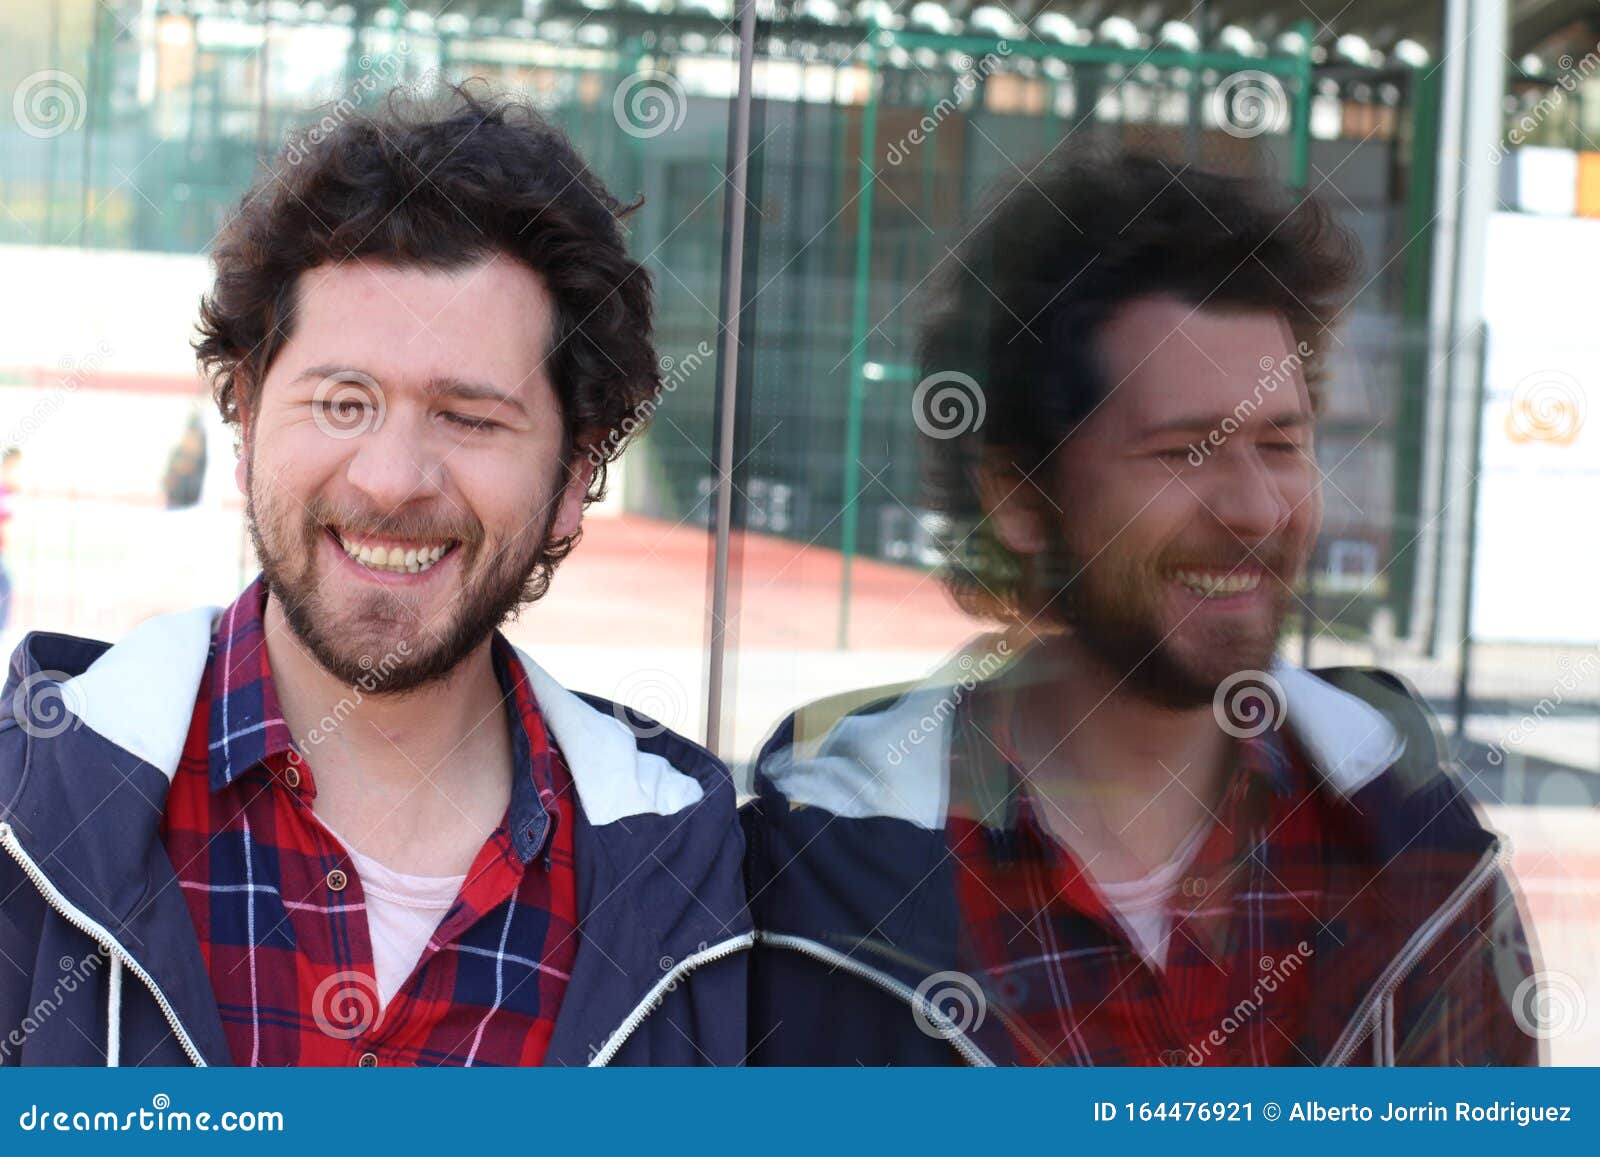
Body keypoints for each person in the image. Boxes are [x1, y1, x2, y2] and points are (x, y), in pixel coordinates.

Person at [0, 85, 749, 1067]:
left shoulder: (706, 892)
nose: (392, 477)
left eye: (470, 417)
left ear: (573, 475)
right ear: (247, 425)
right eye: (342, 400)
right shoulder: (28, 810)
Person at [743, 147, 1541, 1066]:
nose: (1252, 508)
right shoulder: (824, 880)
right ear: (1020, 494)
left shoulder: (1420, 860)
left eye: (1280, 444)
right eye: (1185, 452)